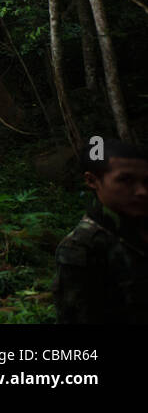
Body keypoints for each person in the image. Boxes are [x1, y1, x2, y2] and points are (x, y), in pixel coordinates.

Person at [54, 137, 148, 323]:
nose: (142, 191)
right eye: (126, 180)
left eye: (147, 181)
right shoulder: (82, 247)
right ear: (92, 180)